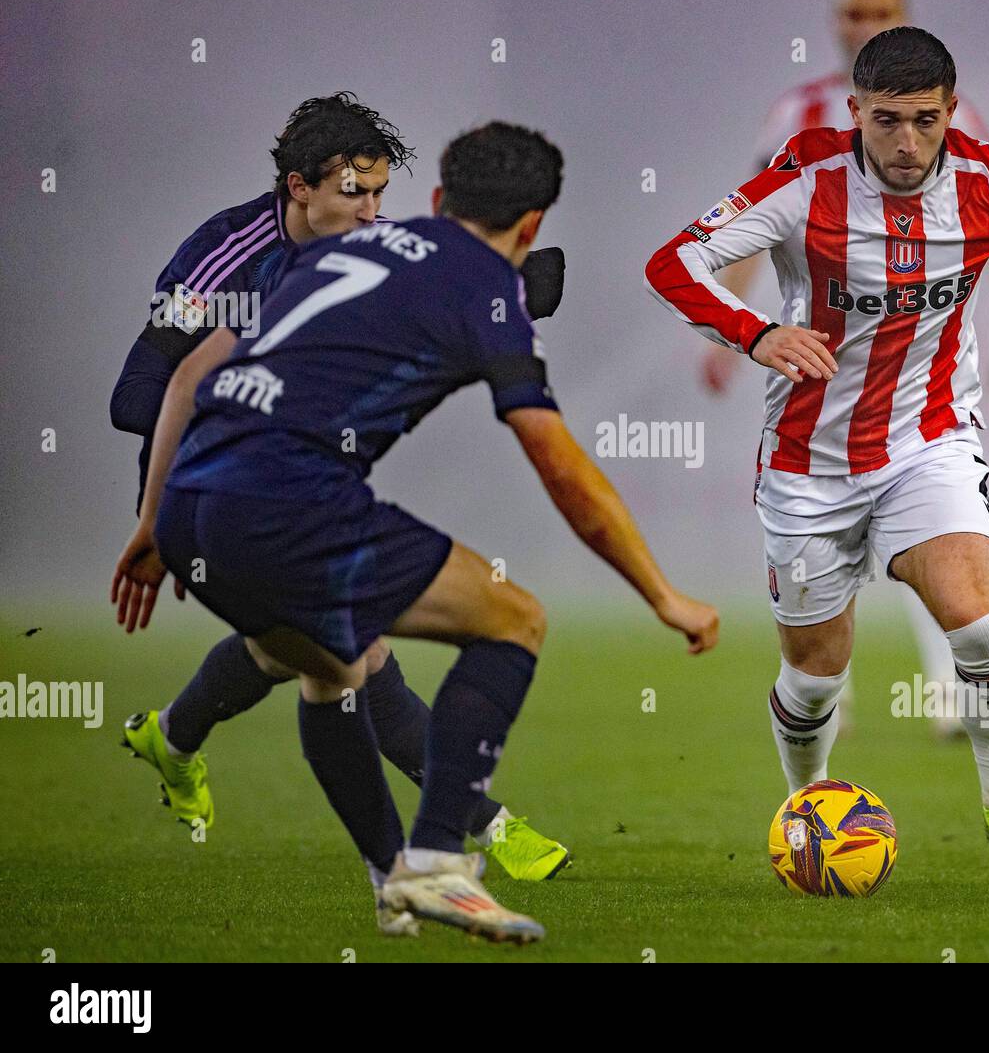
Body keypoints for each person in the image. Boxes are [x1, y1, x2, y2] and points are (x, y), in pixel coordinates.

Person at [113, 122, 719, 942]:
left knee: (335, 669)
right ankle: (436, 865)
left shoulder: (332, 252)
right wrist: (663, 593)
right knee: (514, 618)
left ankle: (389, 876)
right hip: (291, 502)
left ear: (435, 200)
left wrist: (154, 521)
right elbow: (559, 461)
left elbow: (190, 370)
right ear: (532, 226)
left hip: (193, 497)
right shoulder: (486, 289)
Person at [646, 27, 989, 881]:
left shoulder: (988, 178)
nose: (908, 144)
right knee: (817, 679)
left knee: (981, 626)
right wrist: (757, 334)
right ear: (856, 111)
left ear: (950, 111)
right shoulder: (804, 183)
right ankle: (809, 805)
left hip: (928, 443)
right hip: (808, 464)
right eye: (888, 121)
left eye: (927, 121)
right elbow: (675, 263)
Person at [698, 0, 989, 739]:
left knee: (935, 529)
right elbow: (758, 220)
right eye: (854, 12)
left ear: (905, 14)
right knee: (817, 536)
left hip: (922, 365)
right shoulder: (799, 113)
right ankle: (826, 684)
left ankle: (950, 689)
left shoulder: (960, 115)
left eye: (881, 10)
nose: (865, 23)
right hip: (820, 370)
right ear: (834, 22)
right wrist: (732, 324)